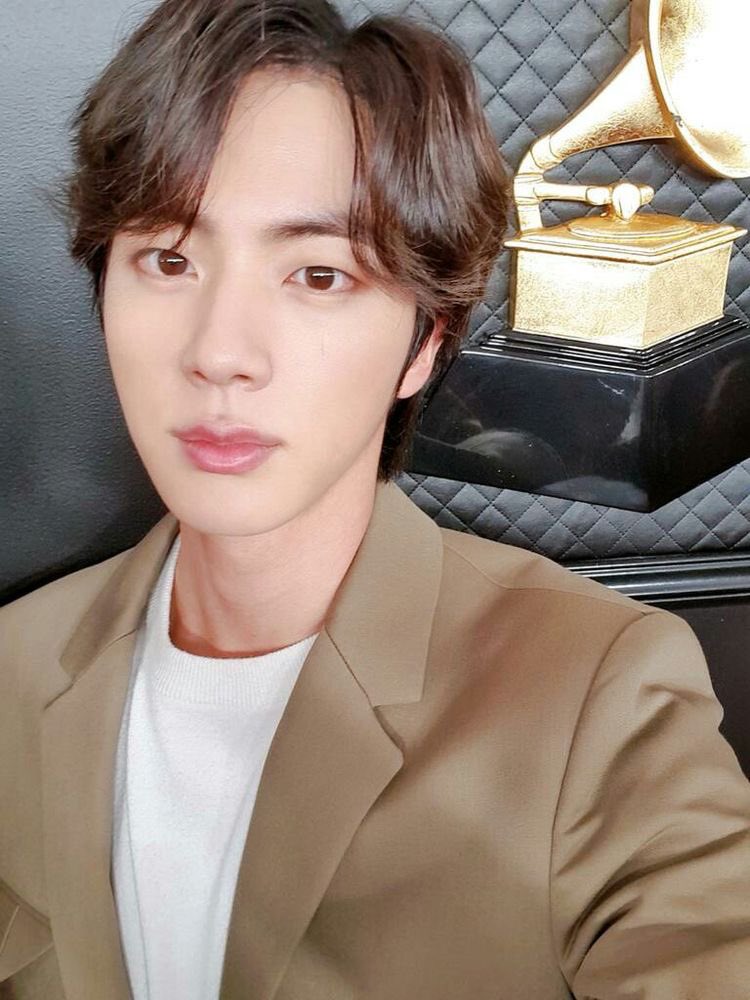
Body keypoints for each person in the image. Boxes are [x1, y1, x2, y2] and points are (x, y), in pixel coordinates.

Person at [1, 0, 750, 997]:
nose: (219, 352)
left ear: (425, 341)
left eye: (319, 275)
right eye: (169, 260)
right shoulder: (13, 666)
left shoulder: (601, 694)